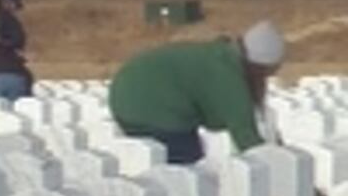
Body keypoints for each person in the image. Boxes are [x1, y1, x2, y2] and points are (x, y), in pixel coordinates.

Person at [107, 21, 285, 165]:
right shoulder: (230, 79)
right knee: (188, 169)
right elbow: (247, 140)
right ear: (258, 68)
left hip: (124, 96)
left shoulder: (221, 56)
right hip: (153, 105)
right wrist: (280, 164)